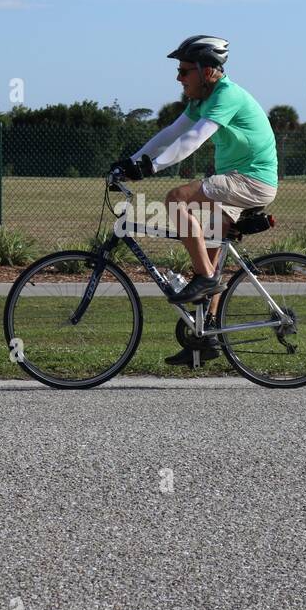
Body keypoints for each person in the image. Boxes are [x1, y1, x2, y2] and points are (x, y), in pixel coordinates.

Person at [111, 35, 278, 366]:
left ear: (208, 71)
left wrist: (151, 167)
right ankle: (206, 337)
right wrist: (130, 161)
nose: (178, 77)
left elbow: (194, 139)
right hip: (240, 180)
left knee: (175, 199)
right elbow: (172, 133)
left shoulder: (226, 96)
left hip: (252, 181)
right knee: (208, 247)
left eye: (184, 70)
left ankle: (205, 280)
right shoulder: (203, 98)